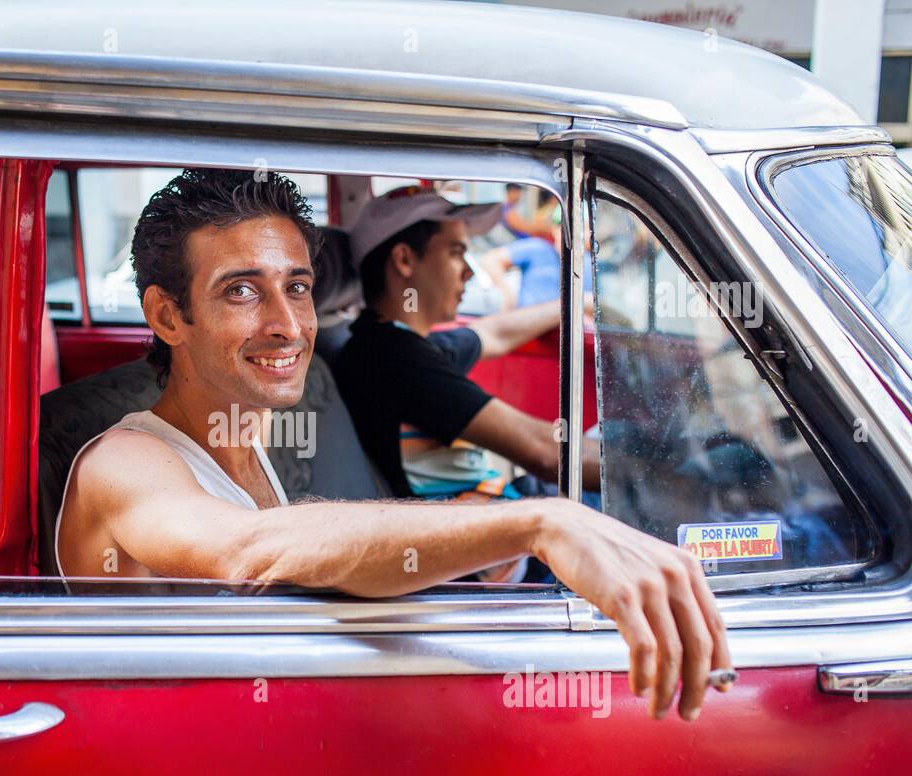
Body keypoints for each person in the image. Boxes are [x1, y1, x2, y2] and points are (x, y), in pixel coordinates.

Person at [53, 168, 729, 722]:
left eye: (297, 288)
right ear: (169, 315)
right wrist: (541, 522)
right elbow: (245, 550)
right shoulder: (124, 462)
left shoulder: (247, 433)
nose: (288, 325)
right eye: (241, 292)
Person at [332, 186, 601, 501]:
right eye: (456, 252)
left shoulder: (394, 342)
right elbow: (546, 453)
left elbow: (493, 334)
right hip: (486, 532)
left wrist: (573, 304)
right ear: (404, 259)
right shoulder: (393, 358)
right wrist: (641, 464)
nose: (470, 272)